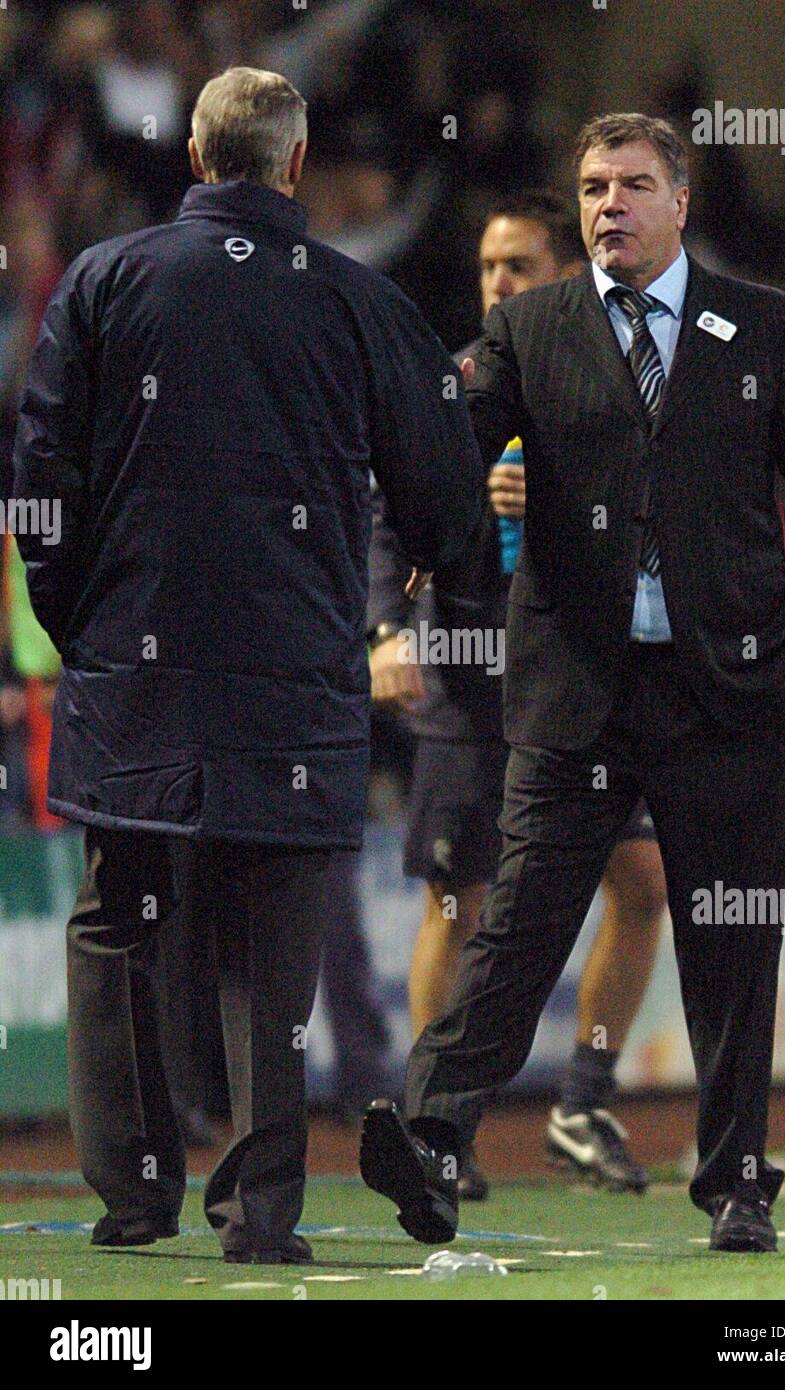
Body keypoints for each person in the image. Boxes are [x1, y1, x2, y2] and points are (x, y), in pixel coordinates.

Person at [360, 113, 785, 1254]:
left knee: (728, 940)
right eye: (590, 187)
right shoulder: (529, 328)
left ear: (680, 202)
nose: (607, 207)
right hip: (575, 687)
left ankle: (734, 1179)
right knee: (521, 925)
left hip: (726, 690)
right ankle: (432, 1139)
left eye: (632, 185)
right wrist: (435, 509)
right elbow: (443, 465)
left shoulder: (764, 327)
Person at [12, 65, 484, 1265]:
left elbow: (41, 482)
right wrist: (418, 576)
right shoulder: (357, 300)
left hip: (136, 668)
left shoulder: (105, 281)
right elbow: (442, 474)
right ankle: (259, 1212)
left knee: (119, 920)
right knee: (270, 949)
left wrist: (84, 630)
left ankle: (131, 1195)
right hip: (295, 668)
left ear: (193, 156)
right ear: (294, 161)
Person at [368, 191, 665, 1199]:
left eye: (519, 264)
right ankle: (432, 1121)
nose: (499, 281)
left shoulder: (613, 372)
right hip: (469, 682)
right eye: (490, 265)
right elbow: (388, 506)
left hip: (583, 676)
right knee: (461, 902)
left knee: (643, 886)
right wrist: (383, 630)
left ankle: (581, 1104)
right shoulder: (457, 379)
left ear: (563, 273)